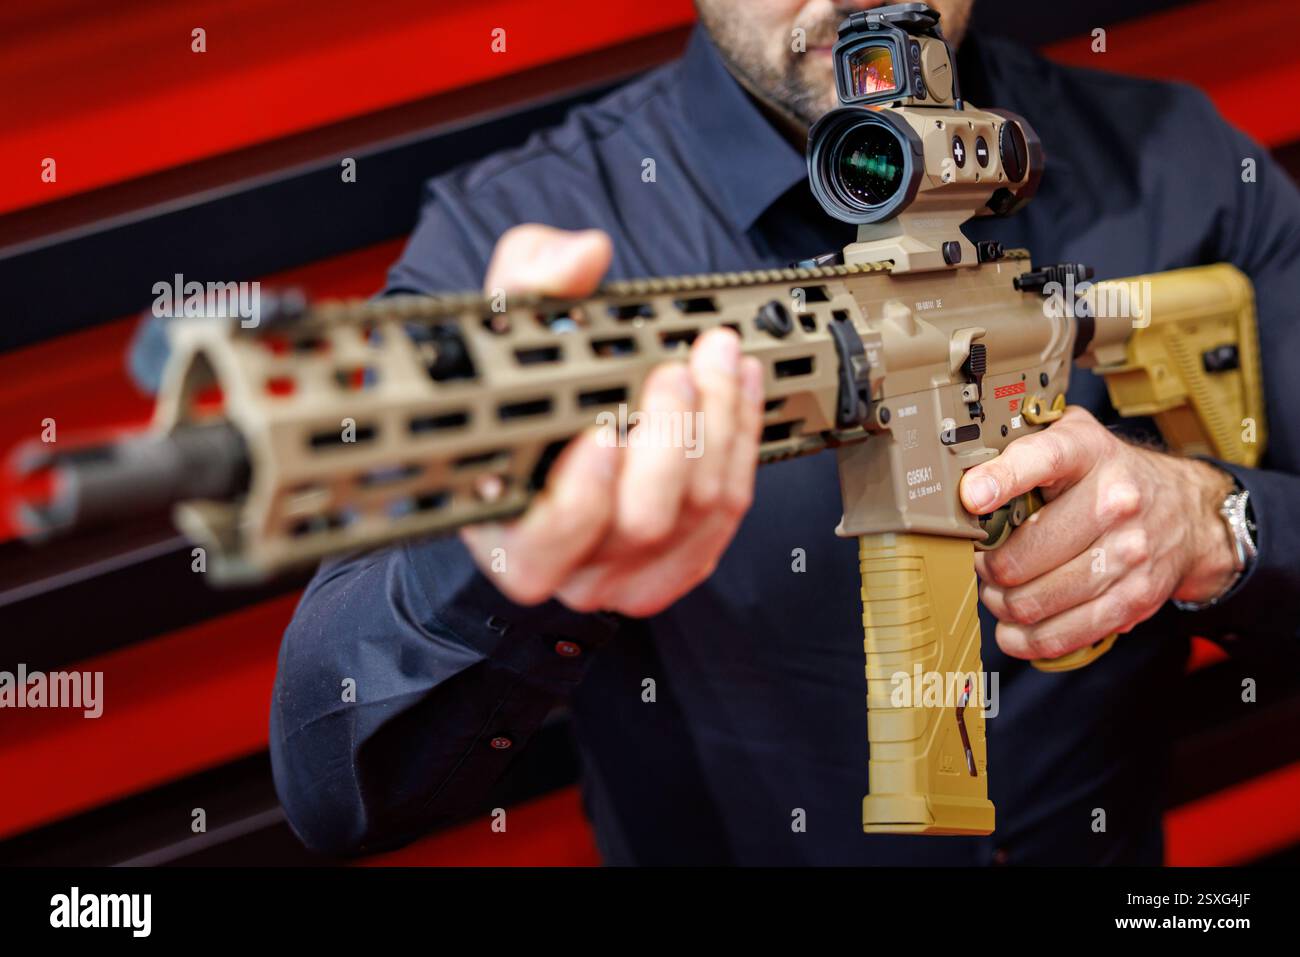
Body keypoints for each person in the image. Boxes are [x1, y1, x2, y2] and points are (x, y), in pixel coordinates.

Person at [268, 0, 1300, 864]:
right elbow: (333, 787)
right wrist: (497, 565)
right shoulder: (534, 243)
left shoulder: (1178, 164)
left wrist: (1216, 523)